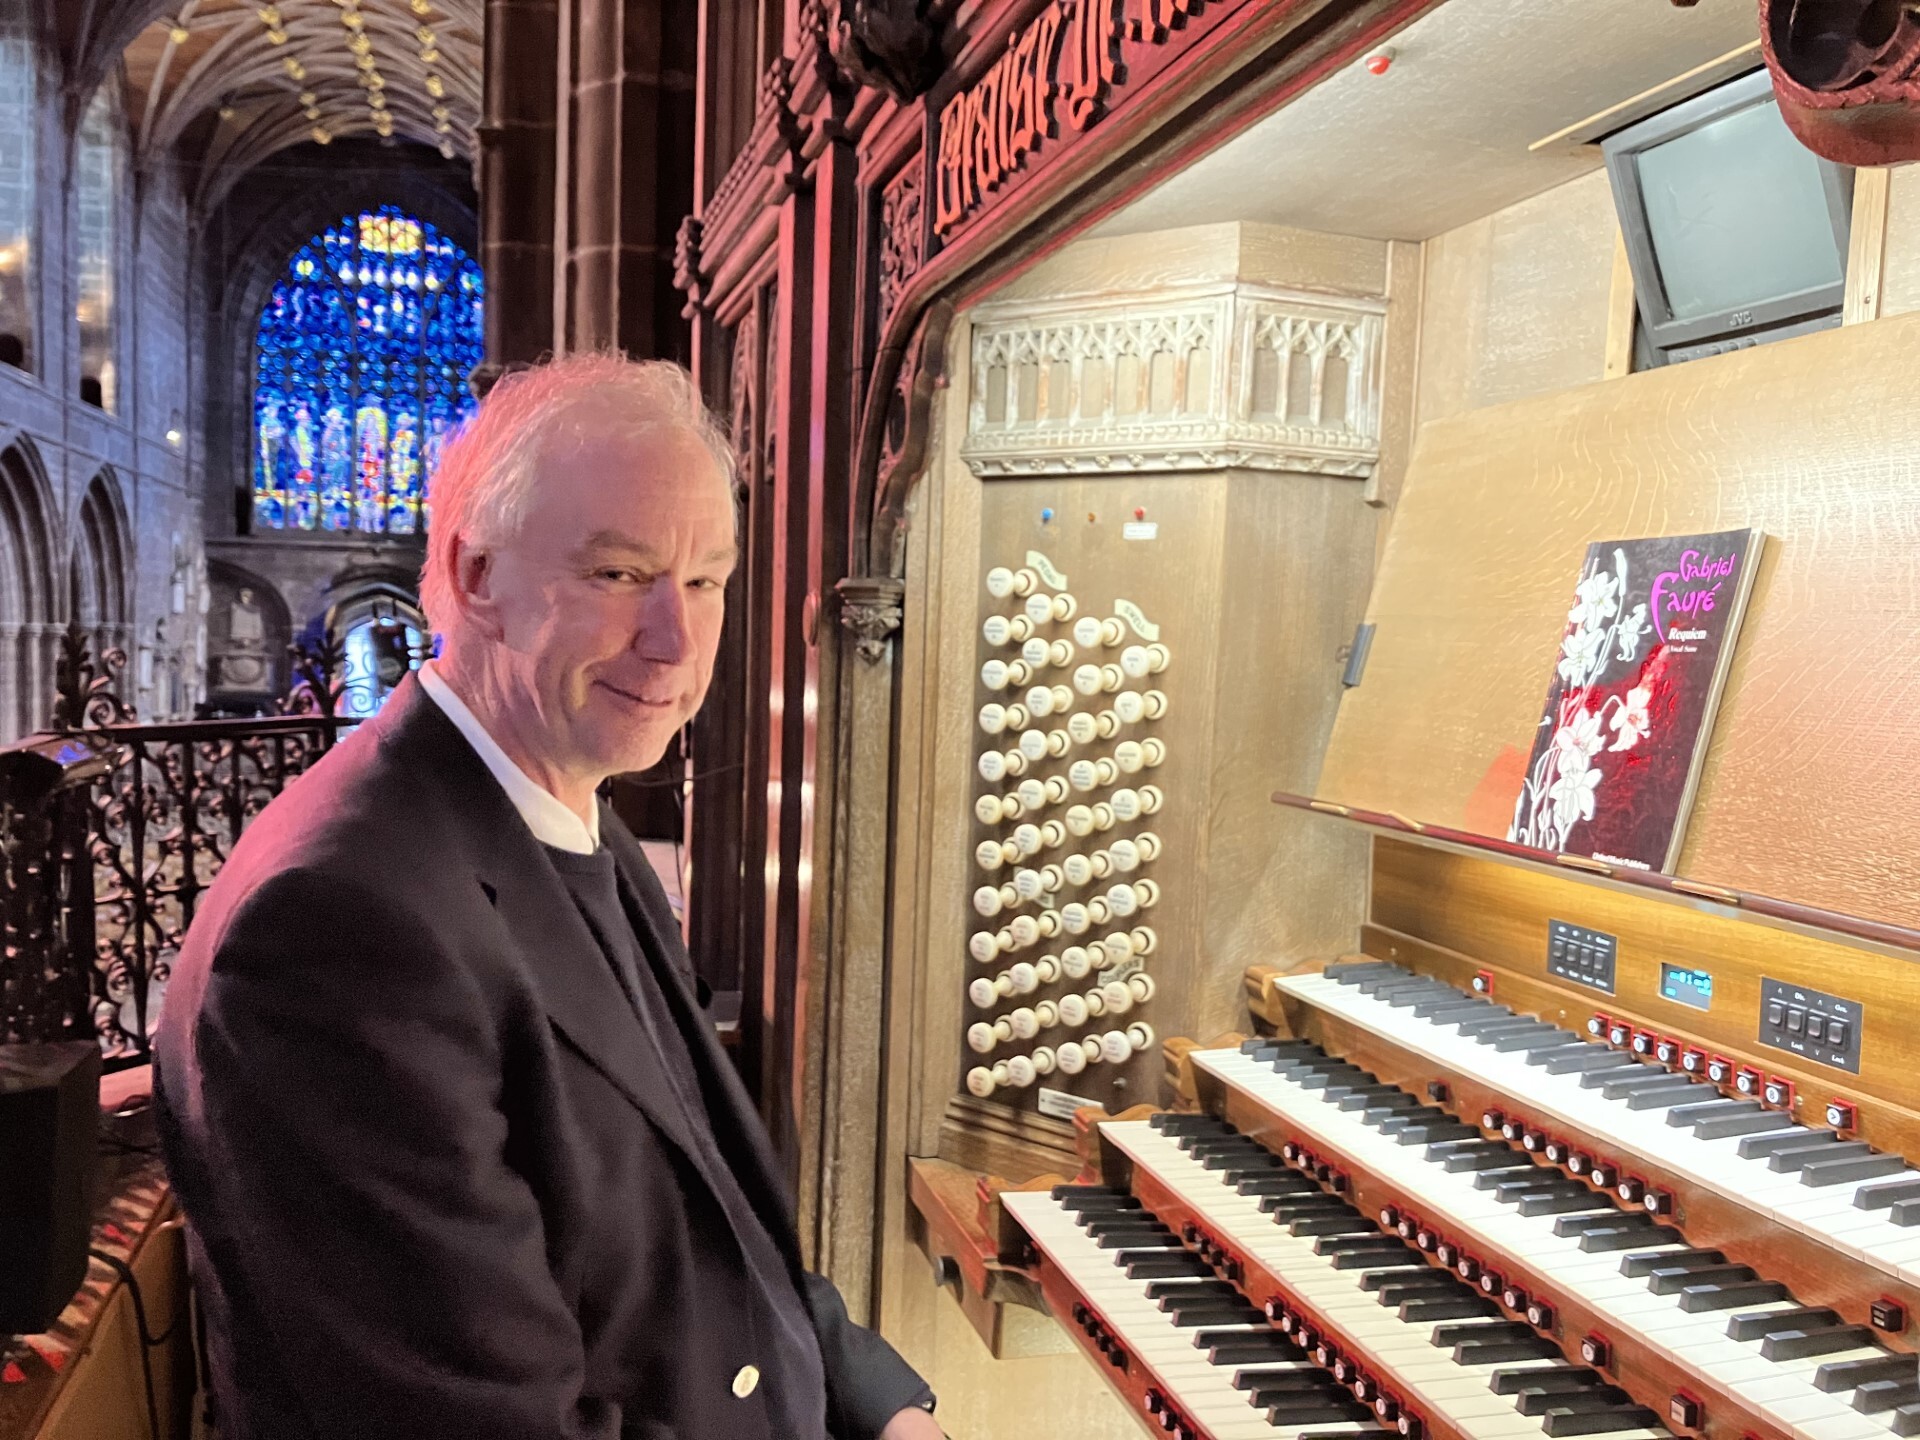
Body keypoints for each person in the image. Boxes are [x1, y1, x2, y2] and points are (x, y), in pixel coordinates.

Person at [155, 355, 943, 1440]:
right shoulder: (340, 925)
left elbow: (713, 1239)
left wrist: (884, 1409)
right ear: (476, 576)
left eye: (705, 579)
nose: (675, 640)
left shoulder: (565, 805)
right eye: (619, 575)